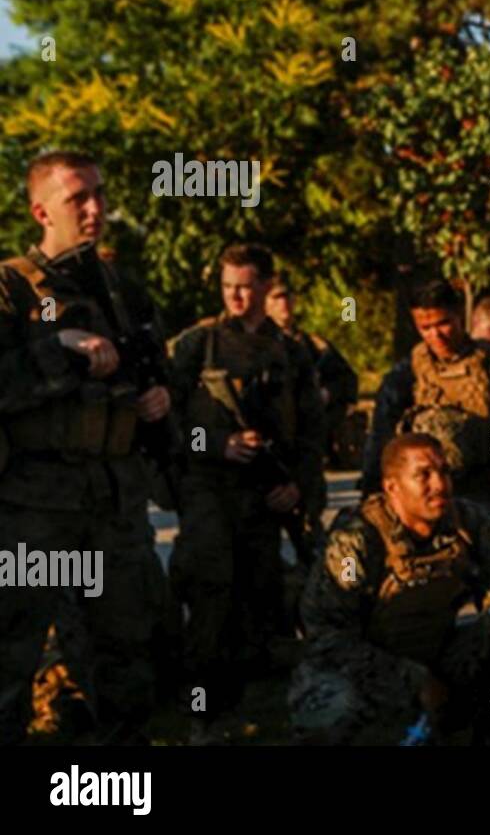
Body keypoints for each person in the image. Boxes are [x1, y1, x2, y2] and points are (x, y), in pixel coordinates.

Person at [0, 151, 170, 744]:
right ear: (42, 210)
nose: (96, 208)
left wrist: (157, 401)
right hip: (36, 505)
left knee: (125, 645)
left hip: (115, 499)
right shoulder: (11, 287)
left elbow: (158, 370)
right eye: (79, 198)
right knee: (12, 649)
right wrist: (59, 347)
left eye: (99, 194)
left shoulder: (121, 287)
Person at [290, 433, 490, 744]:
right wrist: (412, 679)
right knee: (330, 710)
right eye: (423, 475)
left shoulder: (471, 523)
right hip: (368, 662)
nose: (439, 485)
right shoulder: (355, 543)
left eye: (443, 472)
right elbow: (327, 634)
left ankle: (486, 717)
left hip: (437, 650)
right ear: (392, 487)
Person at [169, 243, 325, 741]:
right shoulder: (197, 345)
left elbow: (312, 433)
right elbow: (165, 421)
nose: (236, 296)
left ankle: (250, 697)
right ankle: (201, 709)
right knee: (210, 586)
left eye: (246, 286)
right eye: (227, 286)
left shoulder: (294, 351)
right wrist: (216, 443)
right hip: (209, 486)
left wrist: (297, 488)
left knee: (261, 592)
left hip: (266, 490)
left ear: (266, 285)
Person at [359, 280, 490, 522]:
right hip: (423, 494)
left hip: (485, 485)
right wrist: (373, 489)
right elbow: (381, 433)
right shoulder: (407, 373)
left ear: (460, 316)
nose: (436, 334)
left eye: (443, 323)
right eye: (425, 327)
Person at [265, 277, 359, 470]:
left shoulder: (314, 345)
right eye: (276, 298)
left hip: (309, 445)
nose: (284, 304)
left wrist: (326, 393)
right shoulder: (252, 345)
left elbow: (346, 380)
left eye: (287, 297)